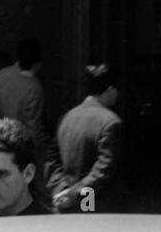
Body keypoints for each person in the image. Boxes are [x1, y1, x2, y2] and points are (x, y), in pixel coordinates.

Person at [49, 63, 125, 213]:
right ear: (110, 89)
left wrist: (62, 189)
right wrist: (75, 193)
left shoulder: (67, 117)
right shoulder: (111, 122)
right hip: (96, 206)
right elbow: (104, 170)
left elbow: (52, 160)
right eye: (117, 90)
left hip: (65, 203)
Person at [0, 38, 45, 154]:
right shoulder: (34, 87)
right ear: (37, 62)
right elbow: (33, 125)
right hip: (20, 145)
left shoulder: (2, 74)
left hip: (0, 137)